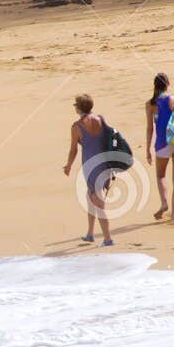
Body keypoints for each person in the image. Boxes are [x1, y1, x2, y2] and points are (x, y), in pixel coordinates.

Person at [63, 93, 115, 246]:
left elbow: (73, 150)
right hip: (105, 163)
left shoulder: (77, 127)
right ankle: (90, 234)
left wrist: (68, 165)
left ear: (79, 108)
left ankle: (108, 238)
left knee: (98, 202)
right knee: (90, 197)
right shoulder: (101, 119)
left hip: (91, 167)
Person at [144, 72, 174, 221]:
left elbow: (150, 128)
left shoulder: (150, 105)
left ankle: (164, 202)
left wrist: (148, 148)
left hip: (162, 143)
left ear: (155, 86)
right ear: (168, 84)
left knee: (161, 175)